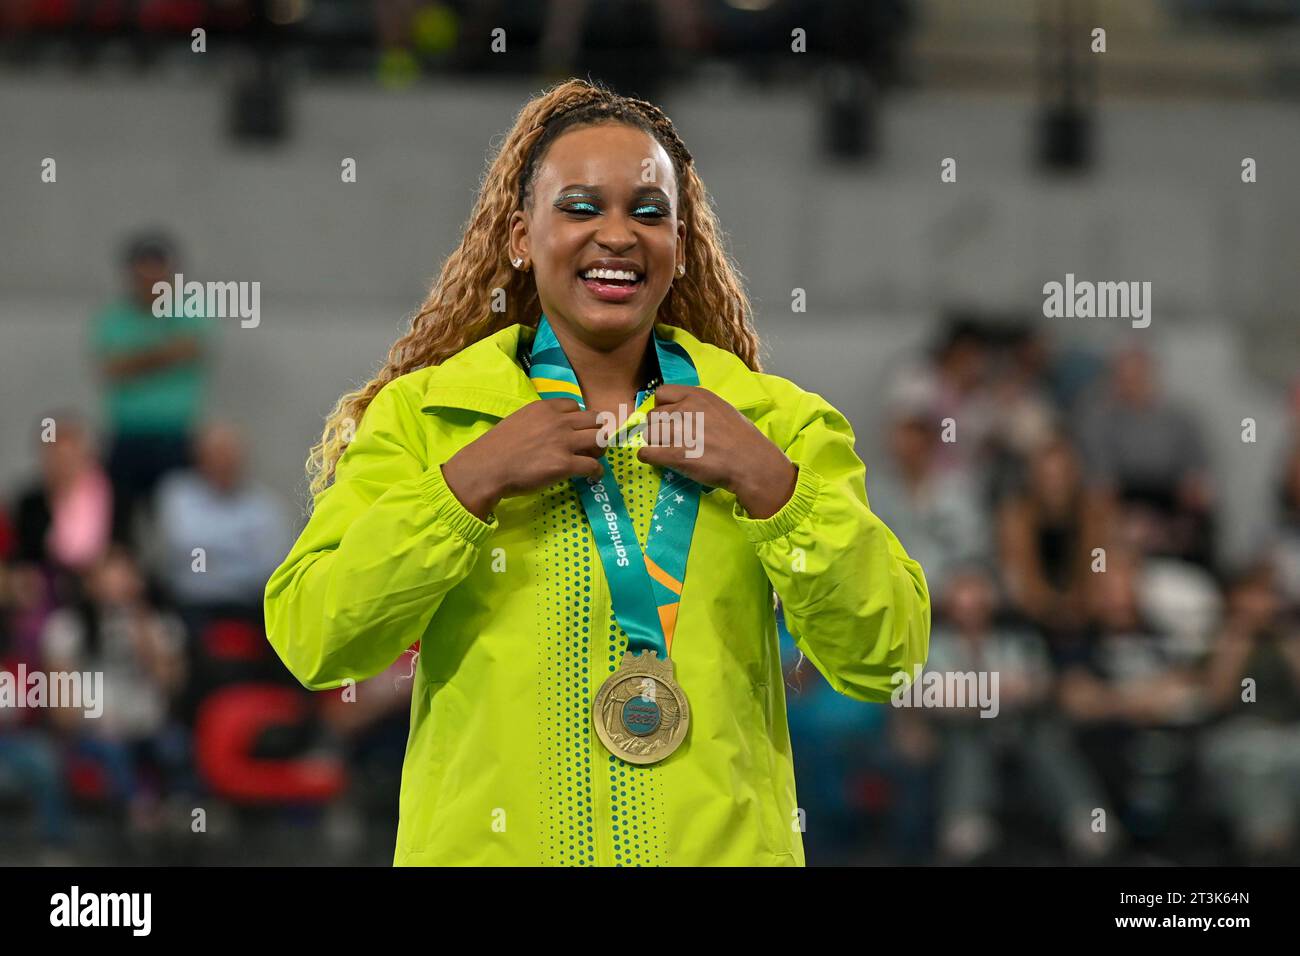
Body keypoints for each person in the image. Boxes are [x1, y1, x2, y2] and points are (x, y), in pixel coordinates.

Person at [264, 78, 931, 866]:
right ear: (520, 236)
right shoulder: (430, 419)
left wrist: (775, 487)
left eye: (648, 212)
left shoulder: (775, 424)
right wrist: (464, 486)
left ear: (680, 247)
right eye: (581, 207)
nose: (616, 235)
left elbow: (886, 654)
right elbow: (314, 636)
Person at [91, 231, 214, 549]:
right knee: (119, 524)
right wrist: (164, 353)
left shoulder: (190, 310)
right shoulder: (114, 317)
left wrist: (135, 359)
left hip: (175, 436)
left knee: (180, 524)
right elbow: (111, 368)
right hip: (127, 436)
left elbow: (191, 349)